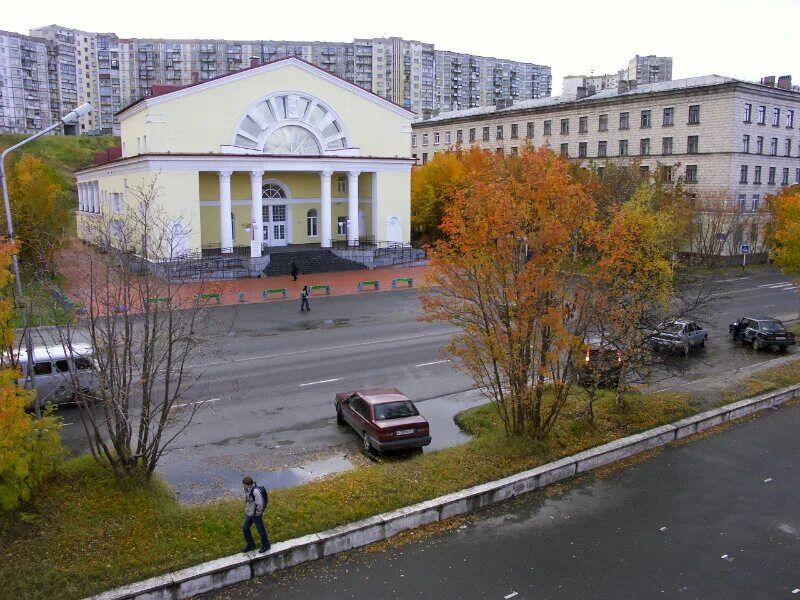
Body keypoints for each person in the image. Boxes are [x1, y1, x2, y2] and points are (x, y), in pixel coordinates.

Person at [241, 476, 270, 553]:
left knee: (261, 530)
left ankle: (266, 545)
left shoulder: (255, 491)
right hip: (250, 513)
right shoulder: (248, 490)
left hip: (255, 514)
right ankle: (251, 545)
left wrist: (257, 513)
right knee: (245, 528)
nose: (243, 486)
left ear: (248, 485)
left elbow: (260, 504)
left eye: (244, 485)